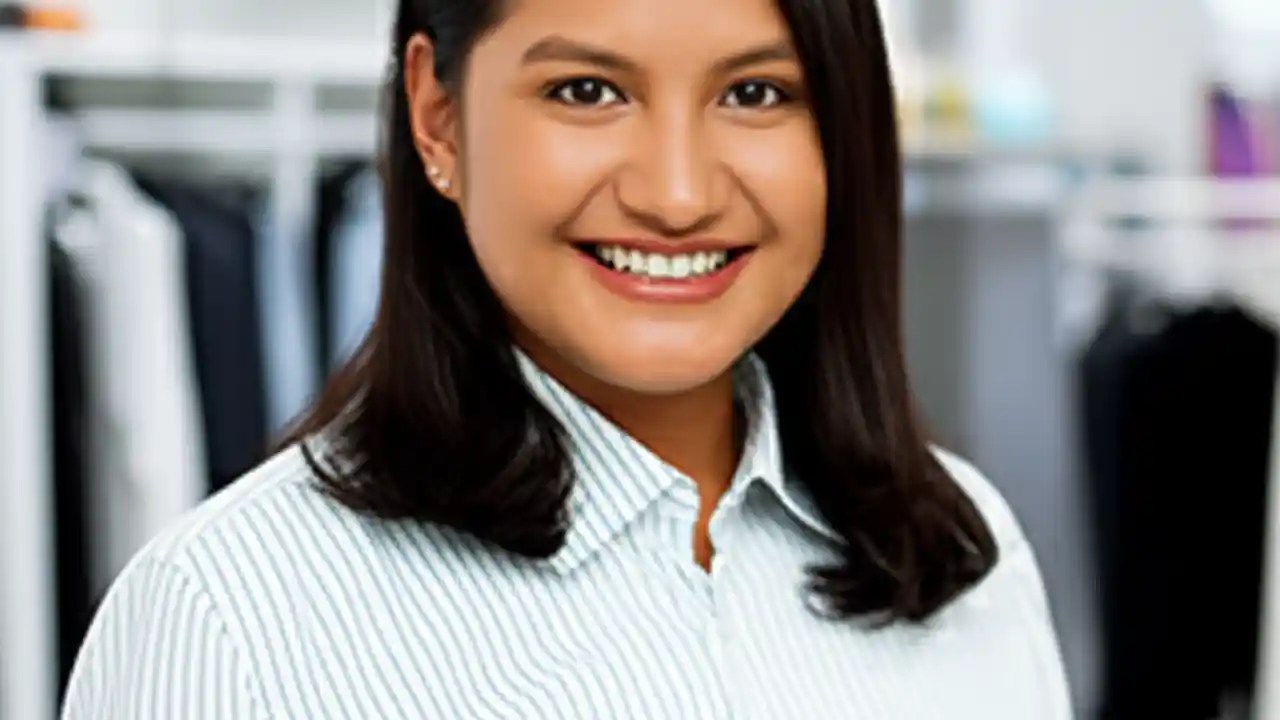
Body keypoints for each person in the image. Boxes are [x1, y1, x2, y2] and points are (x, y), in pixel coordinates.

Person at [62, 0, 1072, 716]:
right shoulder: (225, 618)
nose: (676, 195)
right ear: (438, 117)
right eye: (587, 90)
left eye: (755, 92)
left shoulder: (966, 558)